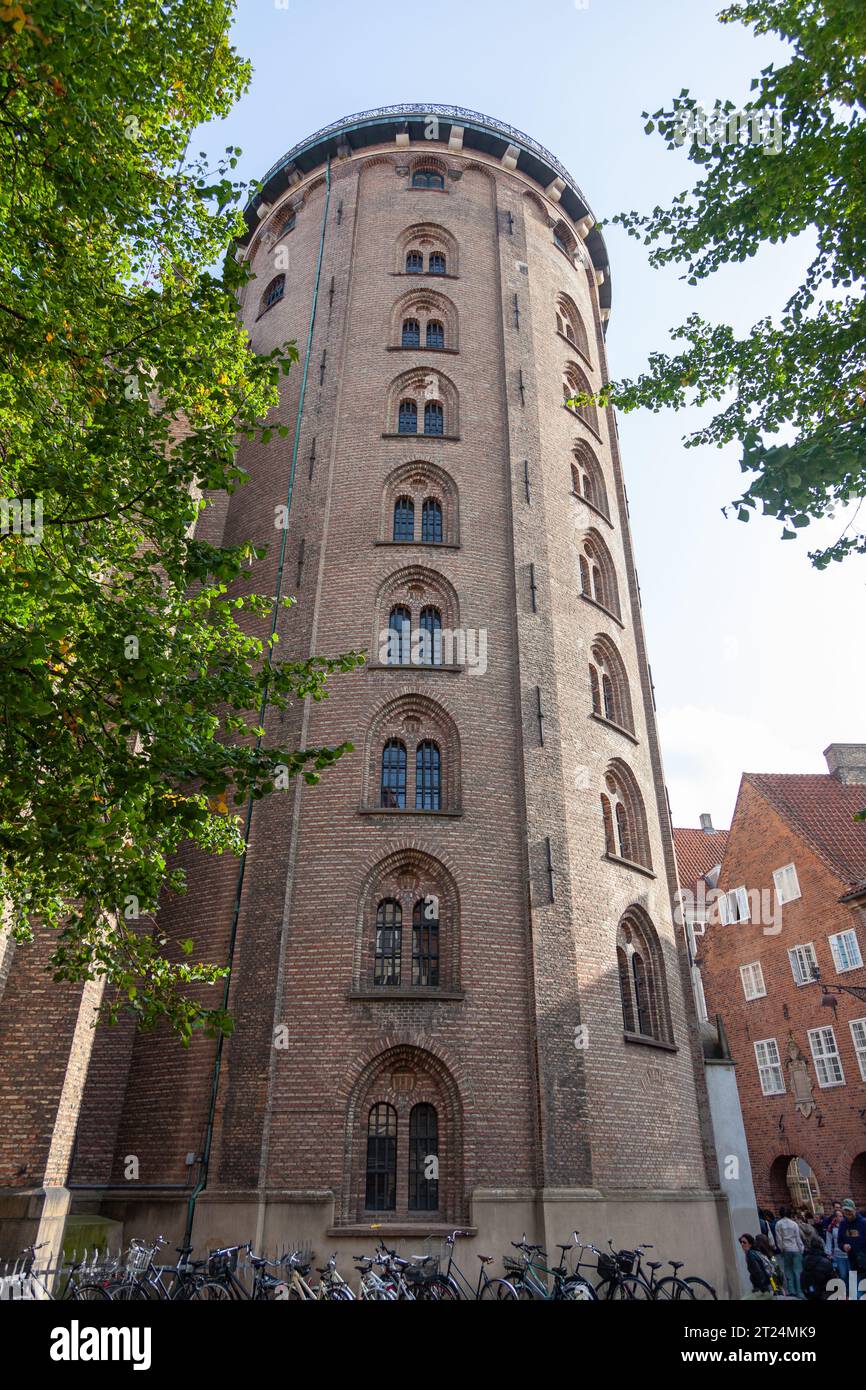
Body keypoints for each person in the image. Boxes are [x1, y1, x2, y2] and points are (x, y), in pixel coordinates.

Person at [774, 1205, 805, 1298]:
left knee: (788, 1271)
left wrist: (782, 1249)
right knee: (798, 1271)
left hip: (786, 1249)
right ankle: (800, 1291)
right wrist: (801, 1249)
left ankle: (792, 1290)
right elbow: (798, 1238)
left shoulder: (778, 1224)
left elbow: (779, 1239)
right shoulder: (794, 1224)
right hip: (796, 1249)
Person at [839, 1198, 866, 1297]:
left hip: (864, 1261)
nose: (847, 1213)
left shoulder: (863, 1223)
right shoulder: (843, 1224)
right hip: (853, 1263)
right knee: (856, 1293)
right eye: (845, 1211)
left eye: (849, 1210)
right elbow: (840, 1241)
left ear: (854, 1209)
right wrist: (843, 1246)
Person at [740, 1234, 776, 1300]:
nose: (742, 1244)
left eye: (744, 1242)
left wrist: (762, 1288)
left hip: (764, 1285)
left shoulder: (754, 1253)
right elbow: (774, 1263)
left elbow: (758, 1272)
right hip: (769, 1280)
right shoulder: (768, 1252)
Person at [800, 1233, 834, 1301]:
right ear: (821, 1246)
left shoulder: (805, 1259)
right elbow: (831, 1279)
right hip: (821, 1291)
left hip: (807, 1289)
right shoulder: (825, 1261)